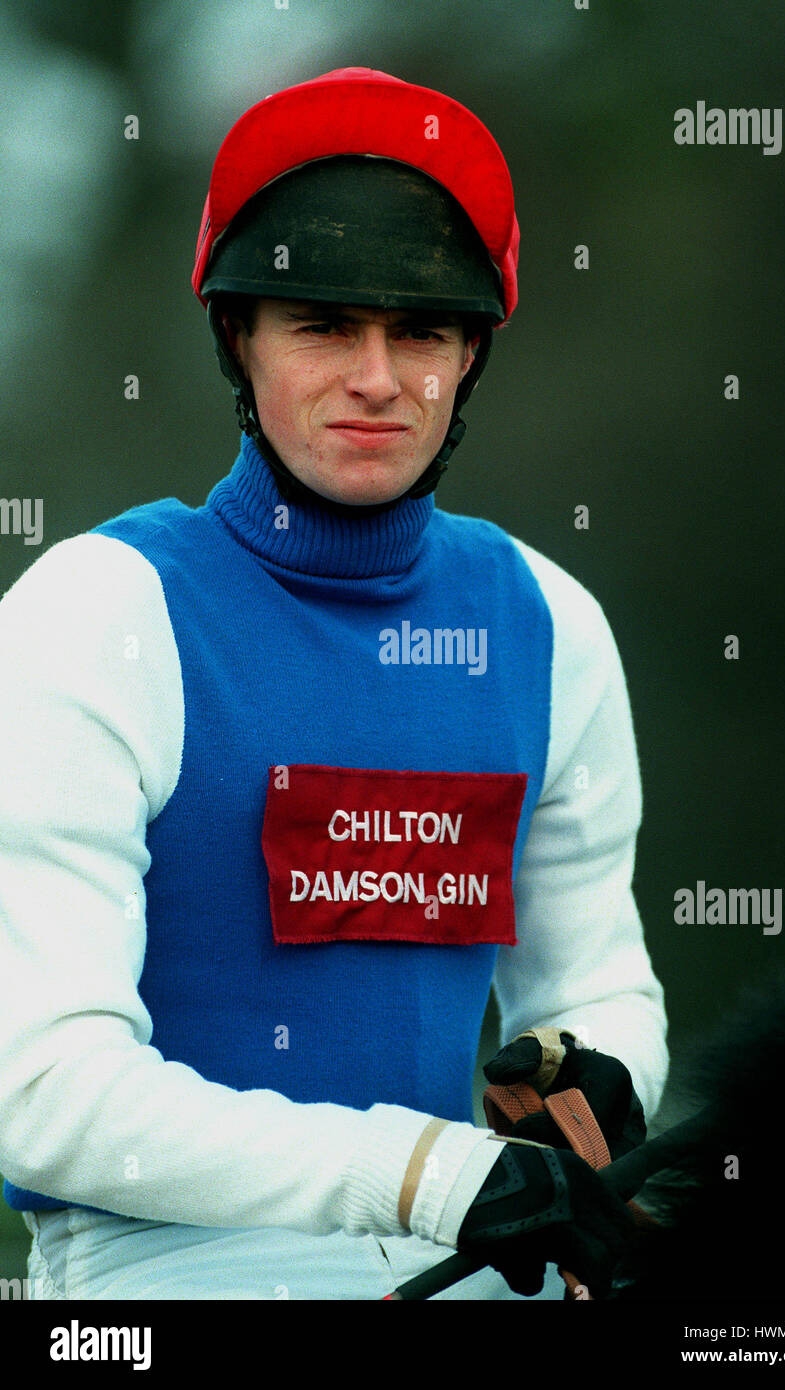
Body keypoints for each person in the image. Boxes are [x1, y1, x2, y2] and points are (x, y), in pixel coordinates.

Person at [0, 67, 668, 1300]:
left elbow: (599, 985)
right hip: (157, 1278)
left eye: (418, 331)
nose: (376, 378)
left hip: (470, 1264)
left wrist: (601, 1069)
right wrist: (418, 1171)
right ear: (236, 338)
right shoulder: (93, 613)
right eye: (321, 324)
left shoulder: (551, 623)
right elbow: (43, 1097)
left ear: (469, 354)